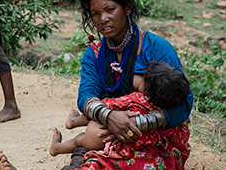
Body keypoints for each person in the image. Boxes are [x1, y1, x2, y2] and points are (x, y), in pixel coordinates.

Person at [0, 0, 193, 170]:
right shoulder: (94, 54)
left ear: (128, 8)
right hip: (108, 134)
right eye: (96, 14)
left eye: (110, 10)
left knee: (108, 168)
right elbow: (86, 96)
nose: (103, 19)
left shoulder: (156, 47)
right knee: (86, 156)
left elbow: (184, 104)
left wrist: (135, 124)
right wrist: (110, 117)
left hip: (156, 142)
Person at [50, 60, 191, 158]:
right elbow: (181, 141)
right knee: (82, 140)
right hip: (120, 147)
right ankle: (59, 146)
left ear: (147, 92)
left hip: (100, 135)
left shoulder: (137, 99)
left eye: (143, 79)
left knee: (82, 137)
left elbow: (107, 105)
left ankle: (71, 127)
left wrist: (105, 104)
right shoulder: (166, 119)